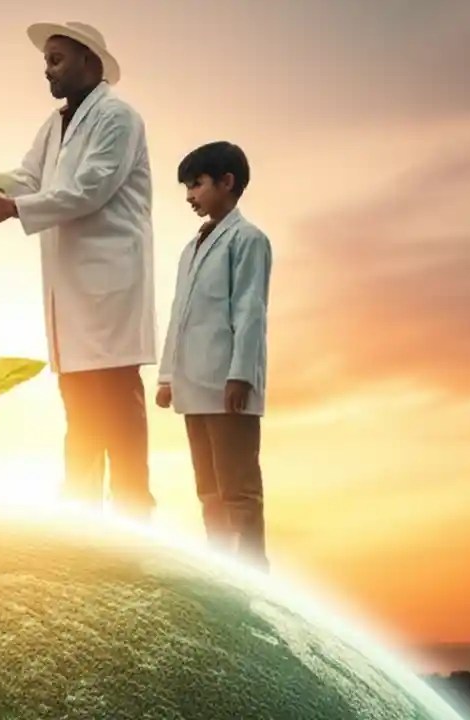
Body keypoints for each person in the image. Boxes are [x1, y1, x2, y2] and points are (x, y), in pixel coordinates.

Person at [0, 21, 157, 519]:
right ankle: (82, 517)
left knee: (117, 405)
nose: (47, 71)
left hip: (109, 286)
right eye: (46, 61)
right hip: (72, 292)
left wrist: (10, 209)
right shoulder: (54, 124)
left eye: (56, 60)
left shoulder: (118, 118)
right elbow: (27, 178)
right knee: (78, 406)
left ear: (89, 63)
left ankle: (134, 518)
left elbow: (88, 190)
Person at [157, 141, 272, 569]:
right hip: (194, 386)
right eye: (187, 187)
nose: (190, 195)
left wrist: (241, 374)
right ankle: (222, 571)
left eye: (197, 184)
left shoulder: (248, 240)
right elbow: (178, 316)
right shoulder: (193, 247)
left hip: (227, 387)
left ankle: (255, 578)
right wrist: (167, 376)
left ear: (227, 182)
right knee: (208, 488)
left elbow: (250, 309)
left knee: (238, 488)